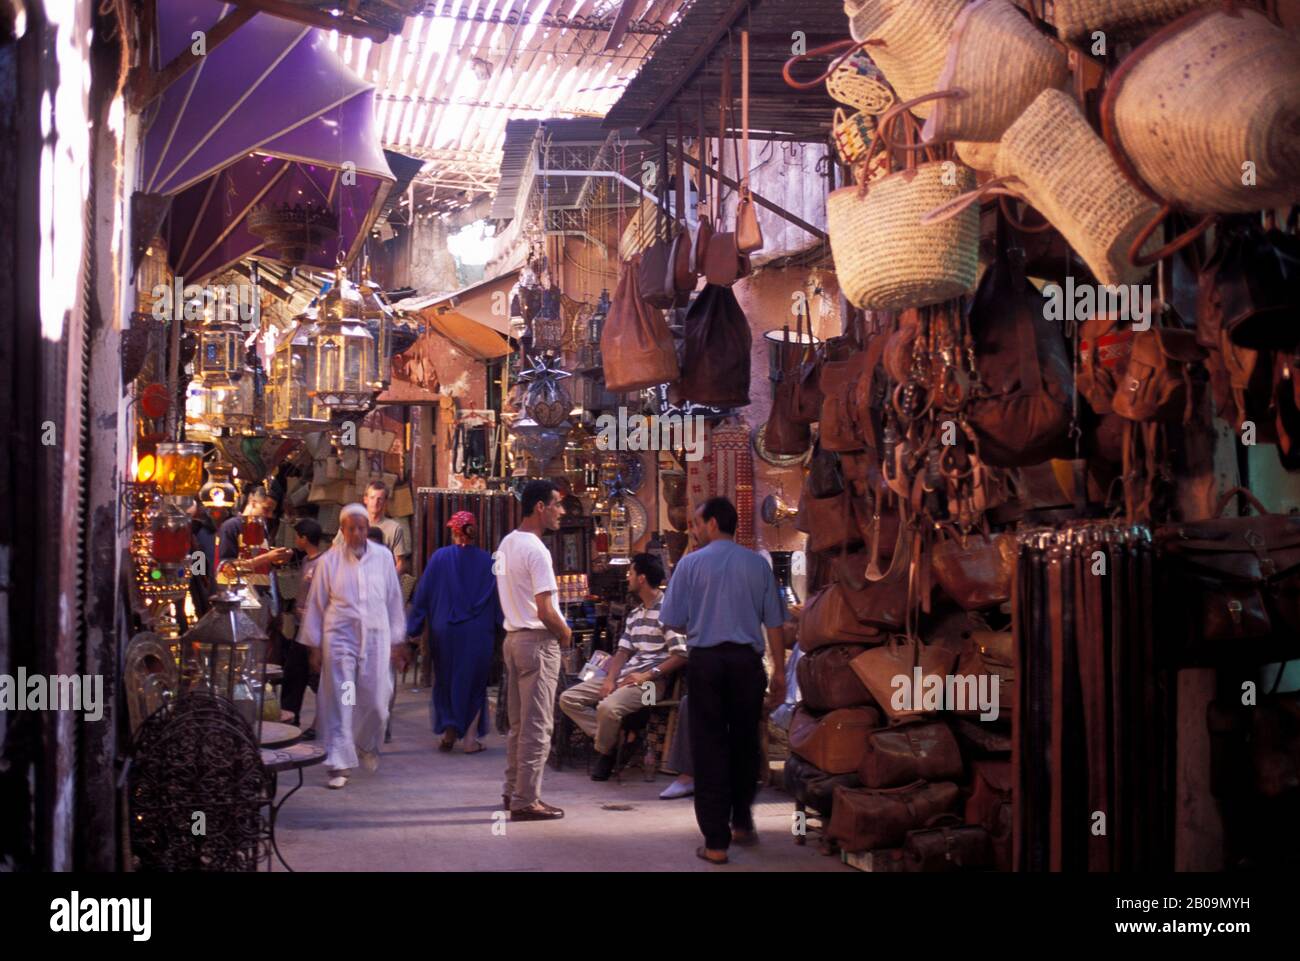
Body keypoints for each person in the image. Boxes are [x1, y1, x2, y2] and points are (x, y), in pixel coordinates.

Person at [660, 496, 788, 865]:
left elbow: (672, 618)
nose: (694, 530)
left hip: (706, 664)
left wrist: (702, 617)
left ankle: (716, 842)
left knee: (710, 747)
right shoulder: (758, 565)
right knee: (745, 742)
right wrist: (779, 670)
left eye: (697, 523)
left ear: (713, 523)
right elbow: (775, 622)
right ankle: (743, 822)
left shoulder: (690, 565)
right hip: (747, 663)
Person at [299, 503, 409, 790]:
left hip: (376, 637)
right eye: (352, 529)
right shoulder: (329, 561)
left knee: (376, 701)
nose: (358, 533)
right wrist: (314, 646)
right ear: (343, 531)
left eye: (362, 528)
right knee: (341, 698)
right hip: (340, 638)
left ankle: (365, 743)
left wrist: (398, 640)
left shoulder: (384, 558)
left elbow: (394, 600)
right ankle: (338, 762)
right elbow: (317, 604)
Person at [559, 553, 686, 782]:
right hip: (627, 677)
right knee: (568, 698)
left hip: (651, 686)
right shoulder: (636, 614)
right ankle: (614, 740)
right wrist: (609, 680)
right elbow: (622, 651)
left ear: (642, 579)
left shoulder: (668, 611)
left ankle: (604, 753)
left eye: (631, 573)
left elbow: (682, 654)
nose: (628, 577)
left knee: (607, 708)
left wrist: (647, 674)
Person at [496, 479, 571, 821]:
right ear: (540, 506)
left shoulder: (507, 543)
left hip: (513, 640)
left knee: (518, 724)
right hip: (536, 641)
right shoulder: (537, 550)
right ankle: (526, 800)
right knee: (537, 726)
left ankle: (513, 791)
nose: (561, 511)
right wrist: (566, 632)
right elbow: (545, 609)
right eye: (557, 504)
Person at [406, 511, 502, 755]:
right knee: (474, 683)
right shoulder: (489, 562)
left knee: (446, 680)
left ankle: (449, 734)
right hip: (478, 633)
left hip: (445, 632)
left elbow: (423, 596)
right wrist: (505, 630)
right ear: (474, 531)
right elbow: (499, 601)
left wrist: (413, 630)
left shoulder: (439, 558)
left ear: (453, 532)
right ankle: (470, 740)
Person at [281, 517, 328, 738]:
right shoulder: (307, 561)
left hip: (316, 631)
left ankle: (324, 722)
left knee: (321, 680)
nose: (294, 540)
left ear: (304, 538)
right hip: (304, 629)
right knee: (294, 674)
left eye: (297, 536)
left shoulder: (322, 564)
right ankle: (290, 717)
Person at [333, 481, 411, 575]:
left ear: (385, 502)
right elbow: (334, 552)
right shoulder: (351, 524)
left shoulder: (394, 528)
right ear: (365, 499)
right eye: (372, 498)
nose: (375, 502)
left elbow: (400, 563)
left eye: (380, 499)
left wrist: (387, 581)